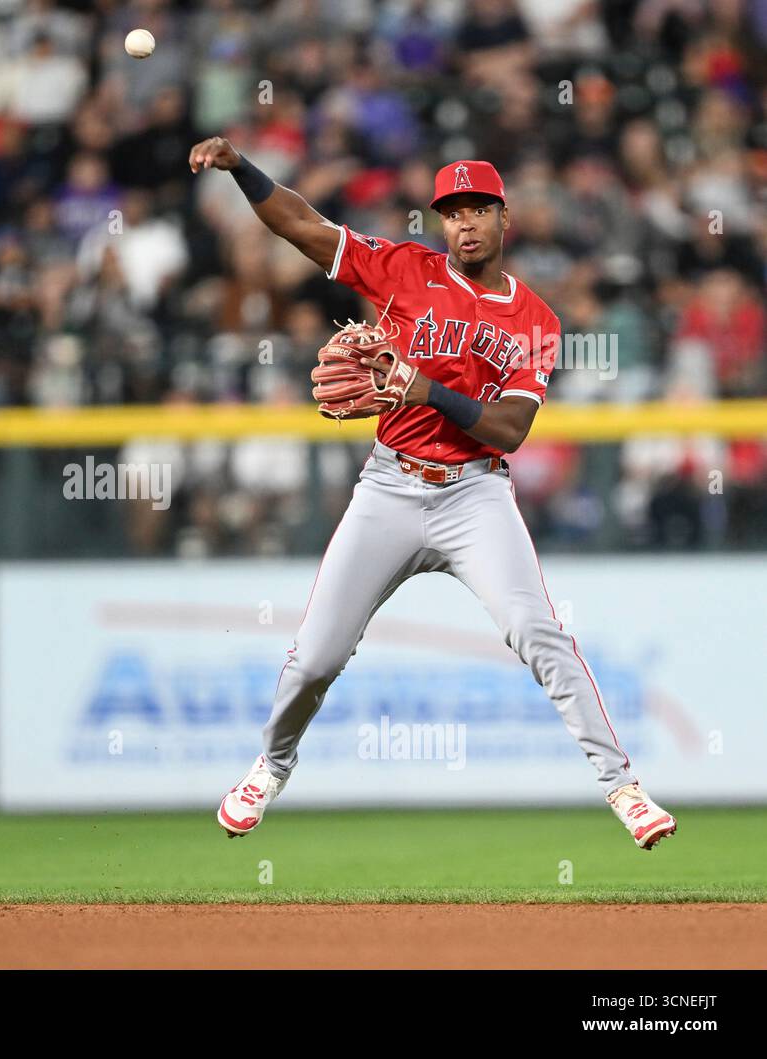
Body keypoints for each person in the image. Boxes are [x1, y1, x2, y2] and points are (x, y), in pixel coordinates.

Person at [189, 135, 677, 851]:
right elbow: (301, 225)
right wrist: (241, 168)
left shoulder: (536, 321)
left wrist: (425, 388)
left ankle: (624, 789)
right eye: (452, 212)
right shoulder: (402, 269)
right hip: (389, 485)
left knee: (541, 634)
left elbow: (510, 430)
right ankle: (270, 766)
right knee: (317, 657)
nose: (465, 223)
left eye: (478, 208)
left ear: (505, 218)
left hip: (476, 497)